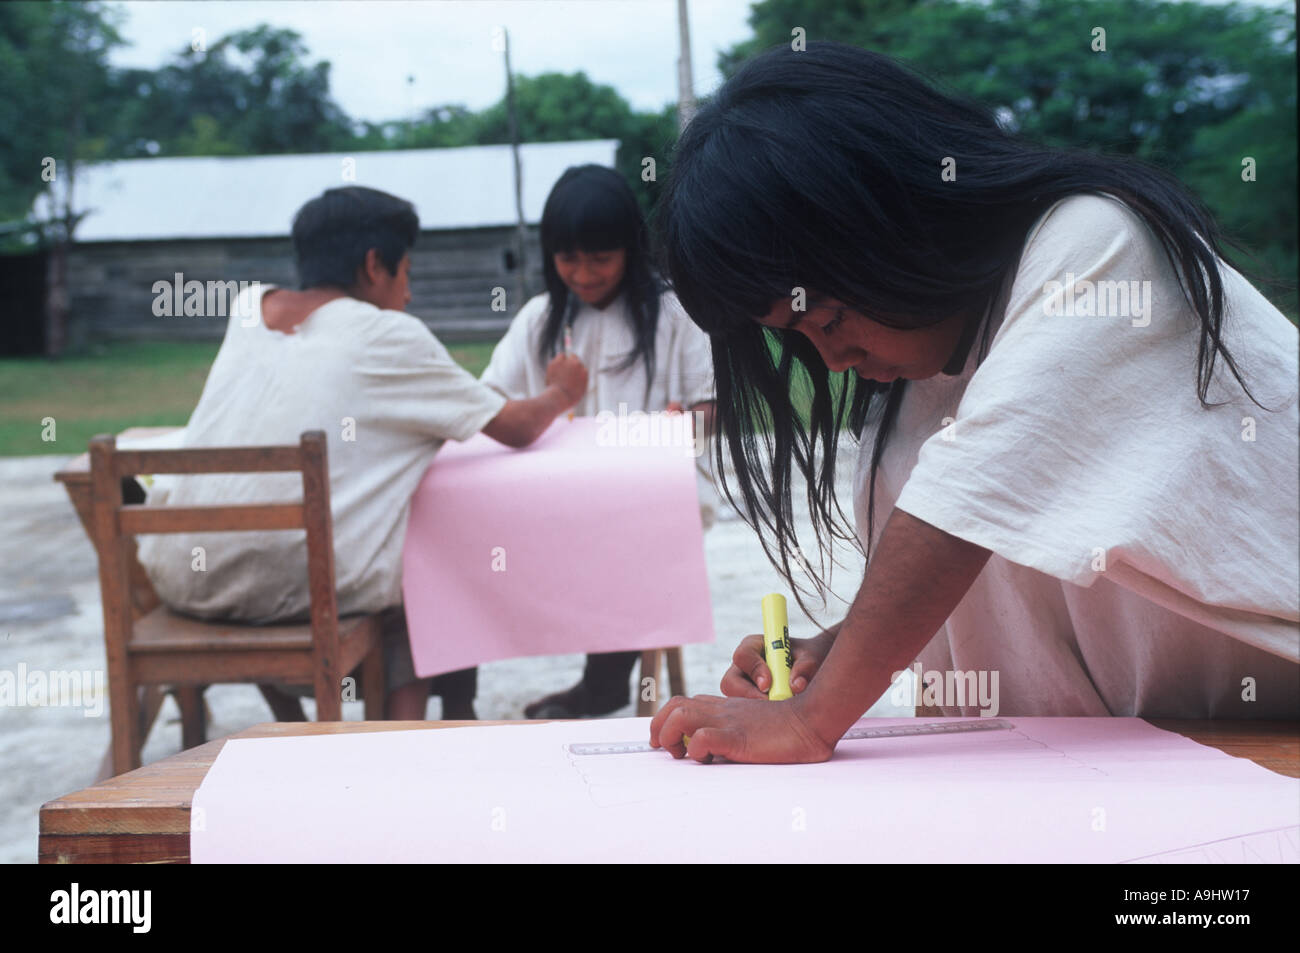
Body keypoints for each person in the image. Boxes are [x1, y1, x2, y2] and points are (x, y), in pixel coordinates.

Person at [646, 42, 1299, 763]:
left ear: (896, 221)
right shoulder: (920, 378)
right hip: (1119, 761)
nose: (833, 359)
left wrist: (810, 719)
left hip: (1267, 735)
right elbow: (1004, 552)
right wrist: (834, 651)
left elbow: (972, 496)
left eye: (829, 319)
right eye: (800, 337)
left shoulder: (1098, 251)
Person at [135, 186, 587, 721]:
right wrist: (561, 391)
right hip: (288, 589)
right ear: (375, 265)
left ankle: (301, 728)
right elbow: (514, 428)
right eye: (406, 274)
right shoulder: (388, 334)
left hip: (180, 575)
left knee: (368, 553)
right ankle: (397, 745)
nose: (409, 294)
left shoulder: (248, 310)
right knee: (423, 578)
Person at [479, 164, 717, 718]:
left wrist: (685, 424)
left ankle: (602, 683)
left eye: (600, 258)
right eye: (569, 259)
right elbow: (488, 402)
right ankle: (464, 690)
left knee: (627, 534)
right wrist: (554, 400)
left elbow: (711, 411)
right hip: (558, 499)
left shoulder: (675, 313)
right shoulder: (539, 320)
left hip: (653, 499)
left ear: (630, 251)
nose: (583, 275)